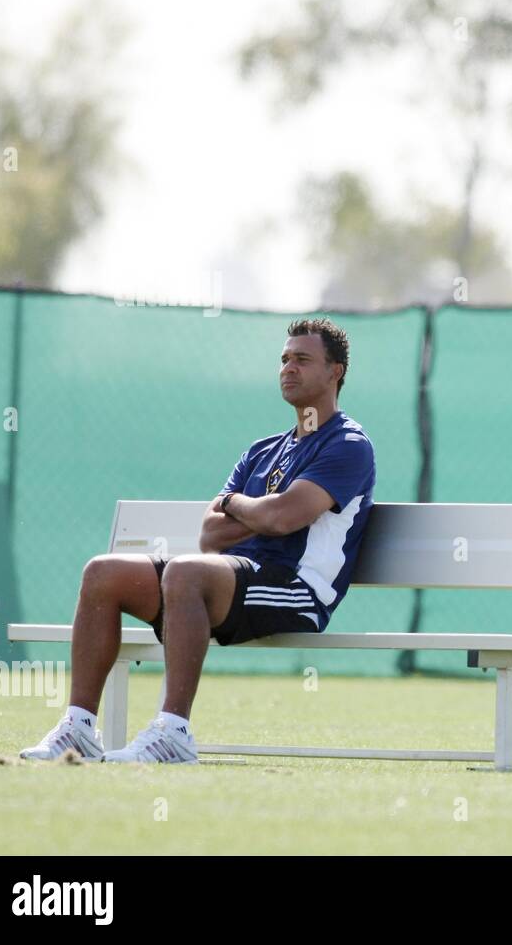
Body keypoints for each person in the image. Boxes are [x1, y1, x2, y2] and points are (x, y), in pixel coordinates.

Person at [21, 318, 376, 764]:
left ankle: (174, 733)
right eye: (284, 359)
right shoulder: (262, 450)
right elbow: (211, 535)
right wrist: (258, 509)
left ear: (335, 372)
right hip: (229, 581)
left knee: (186, 572)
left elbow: (284, 518)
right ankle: (77, 729)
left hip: (296, 591)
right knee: (102, 573)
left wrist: (241, 504)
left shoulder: (348, 444)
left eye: (302, 360)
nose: (288, 368)